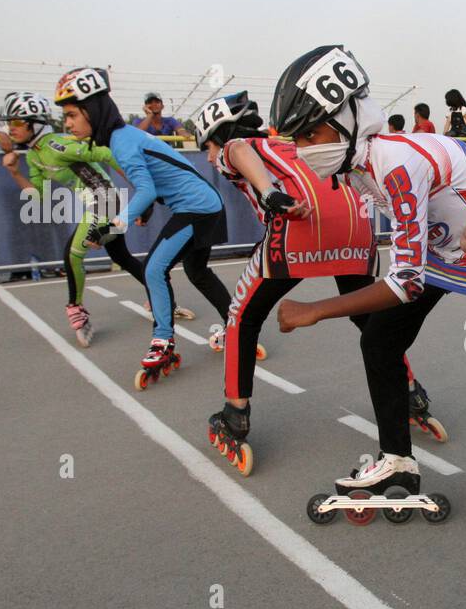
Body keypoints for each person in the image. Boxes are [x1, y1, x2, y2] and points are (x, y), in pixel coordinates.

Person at [269, 45, 466, 521]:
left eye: (312, 133)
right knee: (380, 340)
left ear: (349, 121)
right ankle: (396, 457)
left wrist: (313, 310)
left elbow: (404, 284)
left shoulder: (395, 162)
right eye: (298, 139)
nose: (305, 149)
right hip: (442, 244)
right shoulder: (356, 167)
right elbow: (404, 252)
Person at [190, 91, 446, 475]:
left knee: (241, 317)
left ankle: (234, 415)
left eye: (207, 147)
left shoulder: (244, 145)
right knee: (368, 319)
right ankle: (411, 394)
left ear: (218, 136)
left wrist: (269, 191)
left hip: (299, 225)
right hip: (356, 228)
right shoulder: (301, 140)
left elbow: (238, 148)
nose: (209, 157)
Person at [55, 67, 232, 383]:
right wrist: (147, 209)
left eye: (71, 114)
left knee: (154, 269)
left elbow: (147, 188)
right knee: (197, 272)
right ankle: (236, 326)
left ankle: (162, 342)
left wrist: (110, 228)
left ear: (91, 110)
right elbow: (154, 179)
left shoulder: (121, 141)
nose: (67, 123)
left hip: (197, 207)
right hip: (205, 202)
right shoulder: (121, 138)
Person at [0, 92, 148, 345]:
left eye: (17, 123)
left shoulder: (58, 145)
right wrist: (14, 173)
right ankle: (161, 293)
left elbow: (106, 154)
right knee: (120, 256)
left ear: (36, 123)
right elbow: (39, 196)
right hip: (96, 203)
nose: (11, 129)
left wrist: (142, 194)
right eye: (8, 123)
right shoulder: (34, 156)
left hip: (105, 200)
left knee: (72, 254)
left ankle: (76, 308)